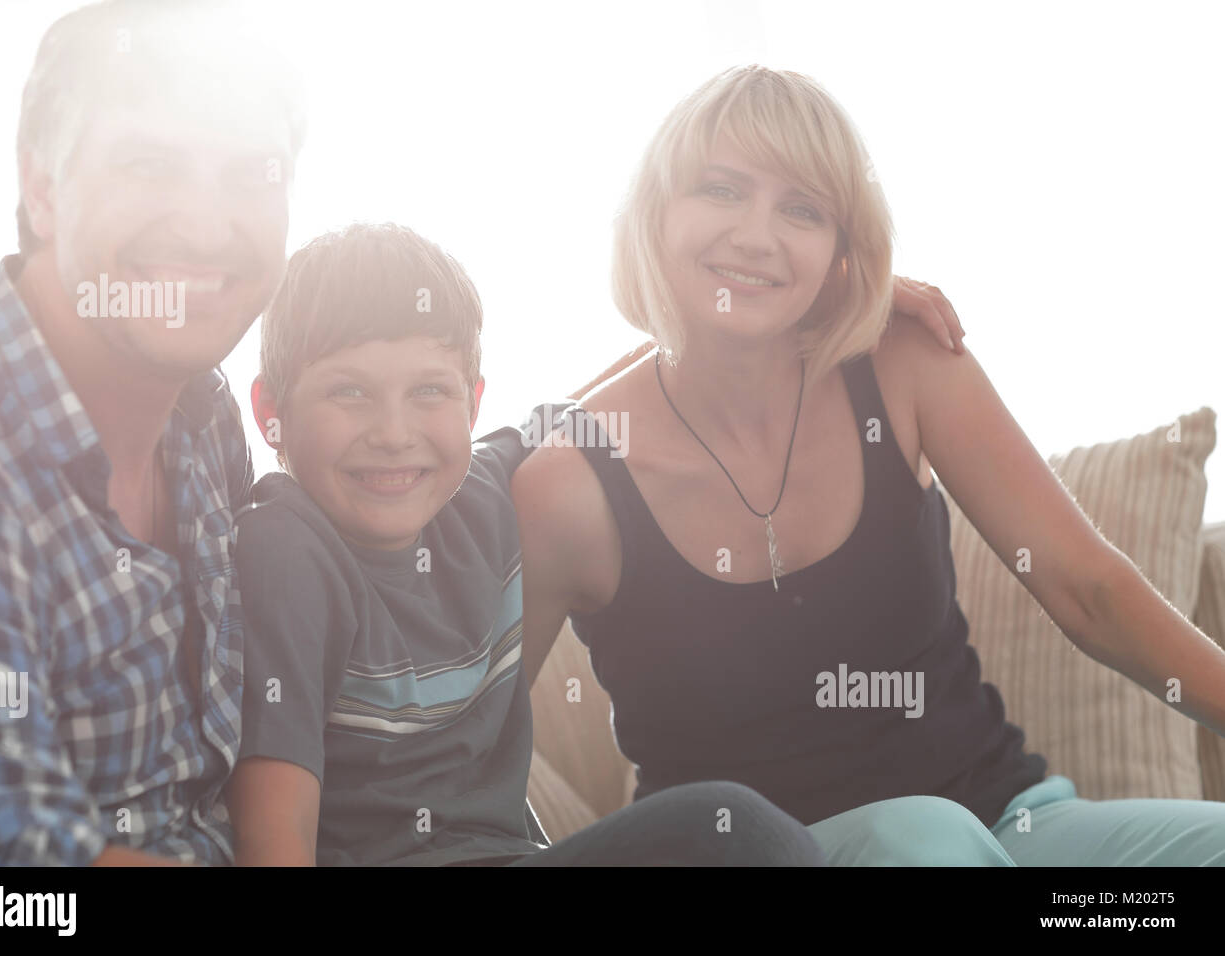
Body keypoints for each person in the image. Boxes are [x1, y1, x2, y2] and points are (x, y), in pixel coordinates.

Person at [512, 65, 1225, 866]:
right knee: (922, 837)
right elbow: (470, 755)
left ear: (842, 253)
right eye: (720, 190)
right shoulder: (566, 482)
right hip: (783, 856)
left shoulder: (904, 362)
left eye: (803, 209)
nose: (757, 234)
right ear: (652, 216)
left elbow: (1090, 591)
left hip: (1013, 828)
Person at [222, 221, 835, 866]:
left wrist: (825, 316)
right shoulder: (285, 552)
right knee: (732, 831)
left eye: (429, 390)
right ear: (271, 412)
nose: (393, 432)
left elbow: (627, 394)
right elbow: (273, 832)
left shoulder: (491, 490)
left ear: (473, 404)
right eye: (349, 391)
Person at [0, 0, 303, 864]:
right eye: (149, 164)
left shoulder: (206, 416)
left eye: (253, 175)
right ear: (43, 188)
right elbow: (4, 865)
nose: (208, 226)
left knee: (685, 828)